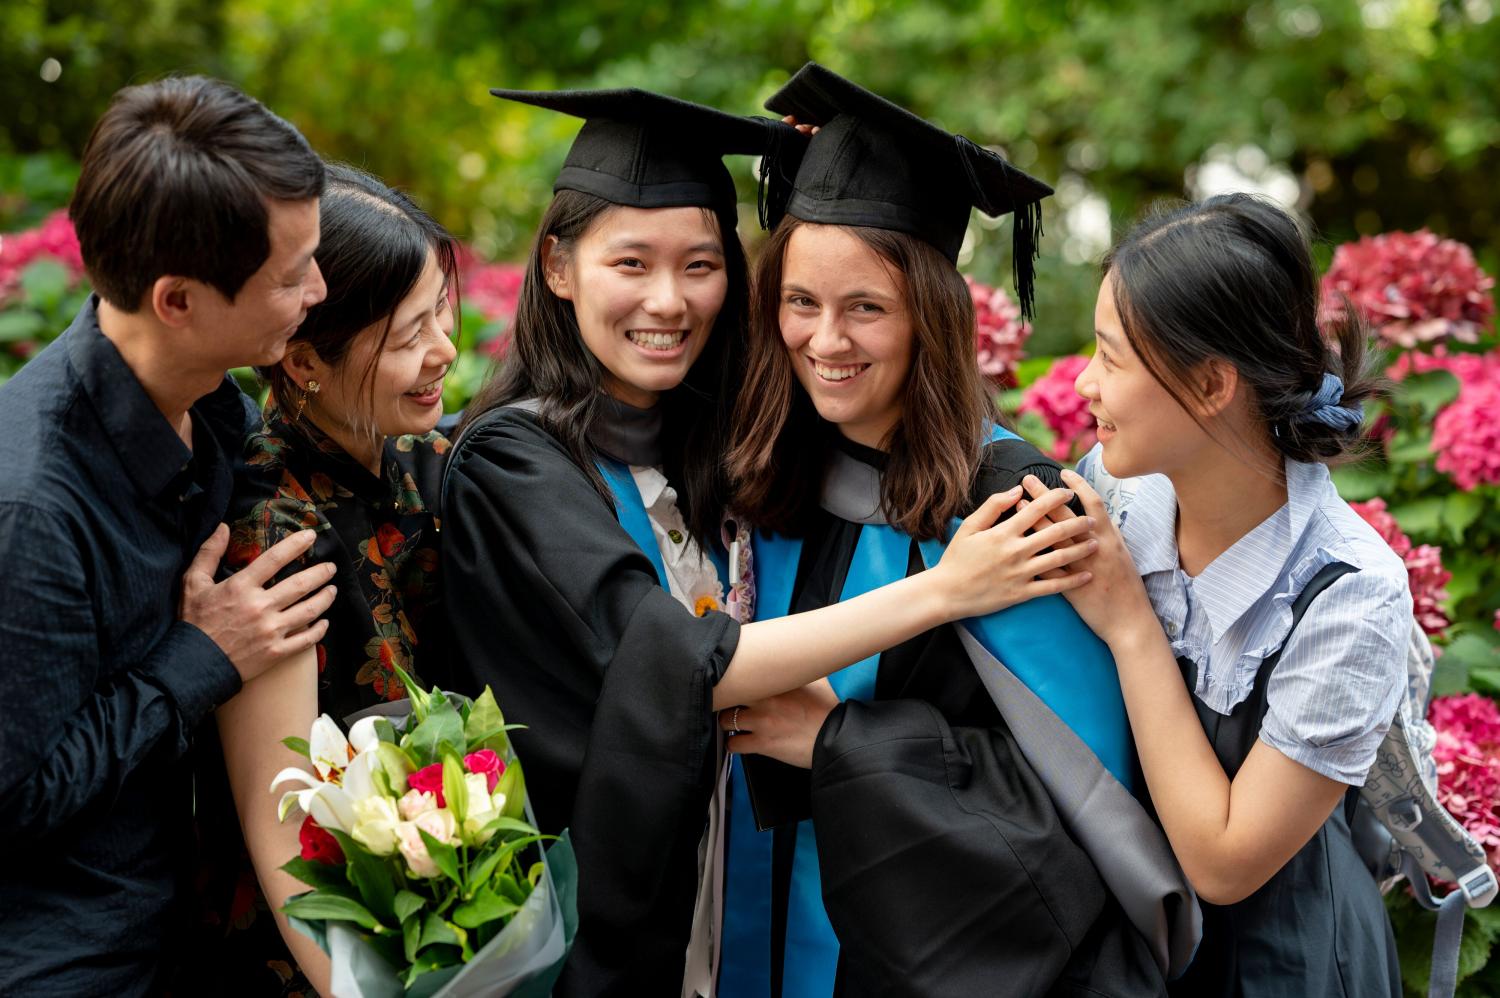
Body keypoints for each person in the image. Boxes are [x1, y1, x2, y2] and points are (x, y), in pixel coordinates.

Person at [436, 87, 1094, 996]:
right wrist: (946, 588)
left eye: (701, 264)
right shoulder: (523, 462)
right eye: (631, 261)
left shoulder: (768, 467)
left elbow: (1085, 800)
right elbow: (667, 658)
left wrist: (845, 745)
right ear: (557, 265)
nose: (668, 301)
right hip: (615, 940)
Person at [718, 63, 1187, 998]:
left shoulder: (1015, 506)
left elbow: (1083, 812)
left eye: (867, 309)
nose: (825, 341)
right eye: (801, 303)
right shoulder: (767, 472)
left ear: (929, 320)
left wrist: (842, 744)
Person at [0, 76, 336, 995]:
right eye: (289, 274)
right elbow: (14, 793)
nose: (319, 286)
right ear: (177, 300)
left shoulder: (214, 414)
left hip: (189, 930)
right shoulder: (33, 505)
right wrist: (197, 655)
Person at [1023, 193, 1406, 996]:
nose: (1086, 382)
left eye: (1112, 356)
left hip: (1284, 967)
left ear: (1209, 385)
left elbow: (1225, 861)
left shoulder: (1348, 594)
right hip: (1137, 948)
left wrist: (1132, 623)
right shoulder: (1120, 495)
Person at [181, 164, 459, 994]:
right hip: (316, 953)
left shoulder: (423, 458)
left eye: (439, 314)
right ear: (304, 361)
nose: (443, 352)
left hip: (429, 907)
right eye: (407, 338)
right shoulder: (273, 532)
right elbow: (287, 831)